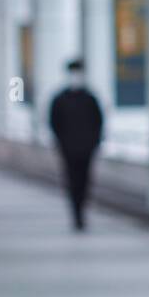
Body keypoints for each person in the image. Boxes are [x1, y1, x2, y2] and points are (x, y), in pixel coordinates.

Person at [47, 58, 104, 231]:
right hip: (68, 149)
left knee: (85, 180)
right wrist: (61, 142)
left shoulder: (90, 98)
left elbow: (98, 122)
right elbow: (54, 123)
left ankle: (81, 212)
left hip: (86, 149)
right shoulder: (60, 99)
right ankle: (76, 214)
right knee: (72, 180)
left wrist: (94, 142)